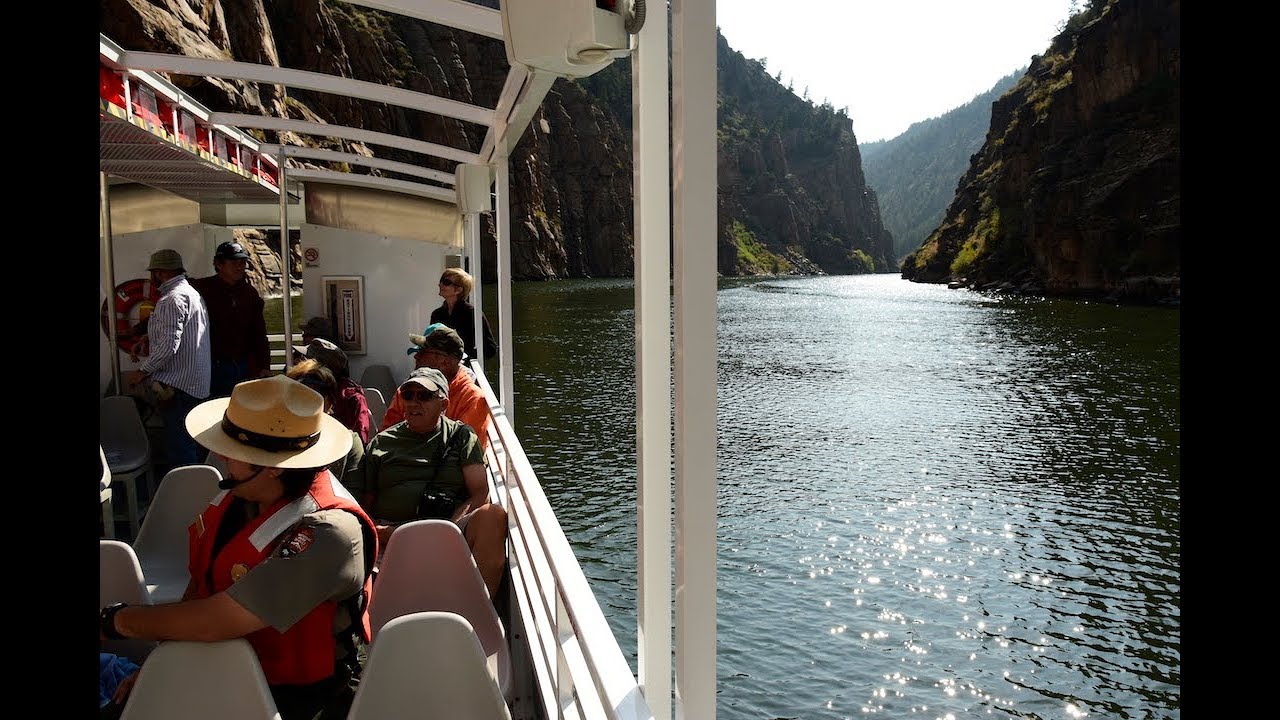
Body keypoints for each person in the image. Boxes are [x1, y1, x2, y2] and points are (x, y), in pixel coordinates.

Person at [100, 375, 377, 720]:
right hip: (226, 671)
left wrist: (115, 621)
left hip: (300, 699)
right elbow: (201, 587)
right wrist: (159, 664)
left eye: (234, 452)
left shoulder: (328, 532)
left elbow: (216, 620)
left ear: (272, 468)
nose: (219, 455)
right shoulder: (241, 498)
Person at [345, 367, 507, 596]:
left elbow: (480, 493)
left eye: (424, 396)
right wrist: (378, 531)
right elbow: (364, 501)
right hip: (391, 532)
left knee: (493, 515)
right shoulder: (382, 443)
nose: (413, 402)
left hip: (449, 528)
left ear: (443, 404)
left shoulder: (461, 437)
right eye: (408, 396)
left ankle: (477, 609)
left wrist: (445, 530)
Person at [125, 249, 211, 467]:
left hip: (178, 387)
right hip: (196, 383)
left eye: (153, 272)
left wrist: (141, 372)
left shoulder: (170, 300)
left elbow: (168, 347)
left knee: (180, 448)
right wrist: (147, 337)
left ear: (160, 273)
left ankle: (186, 494)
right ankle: (199, 488)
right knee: (193, 442)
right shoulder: (191, 293)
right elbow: (181, 334)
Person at [380, 327, 491, 452]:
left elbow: (467, 453)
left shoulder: (472, 399)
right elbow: (385, 437)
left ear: (444, 361)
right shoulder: (405, 391)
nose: (416, 356)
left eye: (423, 352)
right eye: (409, 396)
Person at [192, 240, 271, 397]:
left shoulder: (249, 294)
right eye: (234, 262)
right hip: (211, 366)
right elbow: (174, 313)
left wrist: (264, 366)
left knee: (244, 413)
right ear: (219, 264)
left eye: (242, 262)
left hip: (243, 366)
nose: (239, 266)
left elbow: (259, 334)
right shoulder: (200, 289)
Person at [287, 359, 364, 482]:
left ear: (330, 403)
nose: (307, 402)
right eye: (300, 395)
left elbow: (352, 495)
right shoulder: (273, 437)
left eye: (317, 396)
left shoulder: (347, 443)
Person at [293, 338, 373, 445]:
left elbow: (360, 440)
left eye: (307, 360)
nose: (300, 362)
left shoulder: (352, 398)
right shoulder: (297, 388)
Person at [431, 267, 498, 364]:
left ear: (458, 290)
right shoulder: (437, 315)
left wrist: (463, 357)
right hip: (441, 369)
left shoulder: (472, 314)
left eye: (446, 282)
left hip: (464, 370)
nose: (440, 284)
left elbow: (490, 349)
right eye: (441, 281)